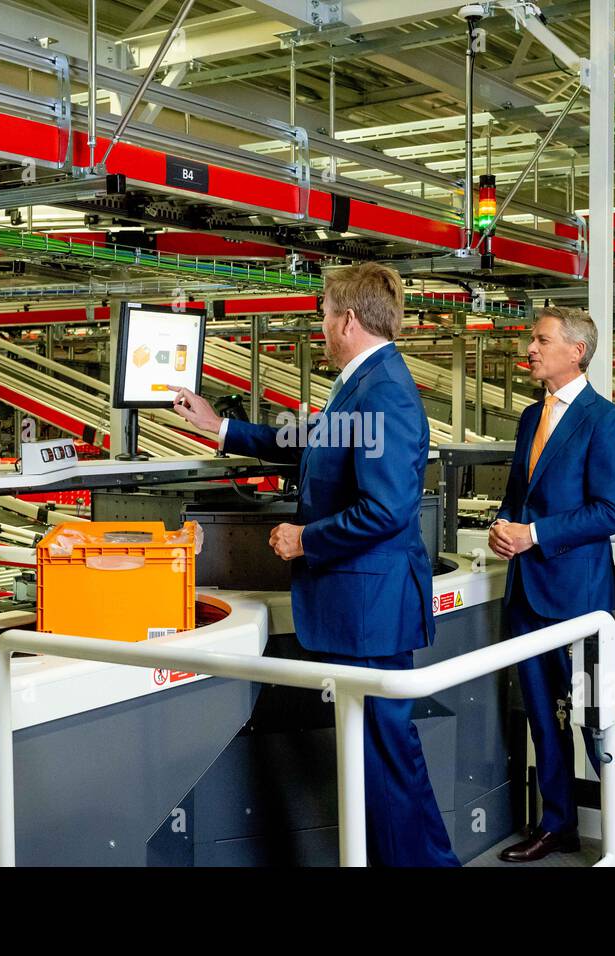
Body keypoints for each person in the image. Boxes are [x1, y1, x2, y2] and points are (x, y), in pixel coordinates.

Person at [168, 261, 459, 867]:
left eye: (323, 315)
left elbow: (386, 510)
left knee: (387, 767)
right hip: (362, 606)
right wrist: (220, 427)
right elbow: (309, 440)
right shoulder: (363, 382)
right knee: (383, 762)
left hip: (370, 610)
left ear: (347, 320)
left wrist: (307, 540)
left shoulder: (384, 393)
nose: (319, 327)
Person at [488, 306, 615, 867]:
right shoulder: (531, 417)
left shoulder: (608, 420)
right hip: (527, 592)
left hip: (579, 598)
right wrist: (502, 527)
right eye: (532, 339)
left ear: (576, 350)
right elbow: (515, 495)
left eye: (541, 340)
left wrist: (534, 534)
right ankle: (558, 826)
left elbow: (611, 511)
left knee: (601, 719)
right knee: (543, 719)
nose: (530, 348)